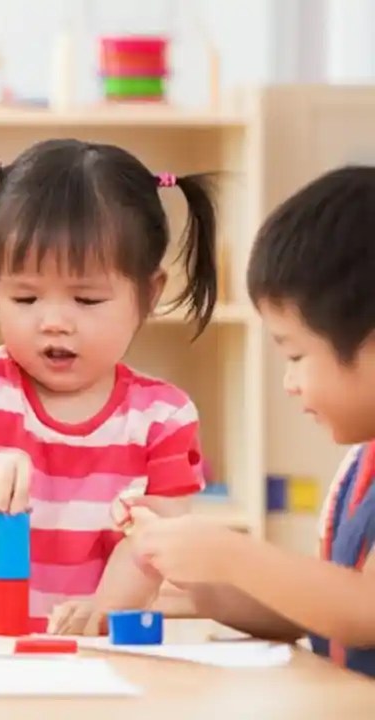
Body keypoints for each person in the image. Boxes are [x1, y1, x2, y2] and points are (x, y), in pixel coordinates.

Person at [0, 139, 218, 633]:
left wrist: (101, 612)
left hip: (96, 649)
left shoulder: (164, 418)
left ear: (149, 293)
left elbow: (154, 537)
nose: (54, 322)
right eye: (25, 297)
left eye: (86, 299)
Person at [126, 165, 375, 677]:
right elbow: (319, 609)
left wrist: (230, 554)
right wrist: (206, 582)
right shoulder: (362, 464)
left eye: (296, 355)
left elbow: (364, 612)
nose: (289, 383)